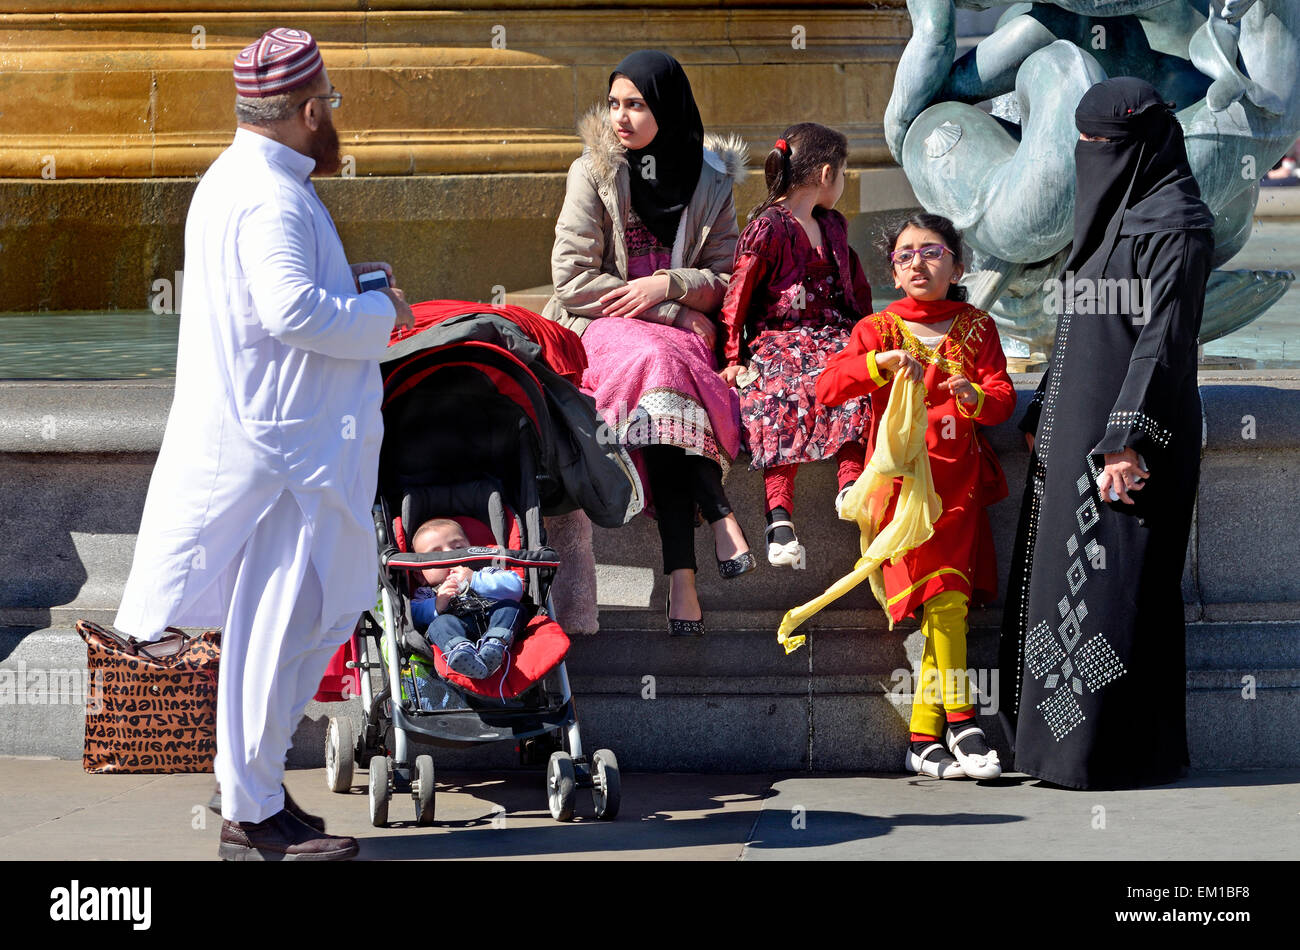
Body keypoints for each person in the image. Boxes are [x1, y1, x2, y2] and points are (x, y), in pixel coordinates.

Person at [112, 27, 415, 860]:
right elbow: (290, 313)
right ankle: (251, 816)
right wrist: (382, 315)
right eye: (332, 107)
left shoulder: (238, 177)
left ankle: (258, 797)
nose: (334, 121)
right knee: (288, 623)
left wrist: (354, 288)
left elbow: (276, 305)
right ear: (309, 108)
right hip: (289, 451)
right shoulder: (272, 194)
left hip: (284, 443)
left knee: (287, 623)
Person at [998, 78, 1215, 790]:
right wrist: (1041, 415)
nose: (1091, 156)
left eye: (1105, 146)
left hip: (1129, 445)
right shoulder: (1110, 216)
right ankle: (1051, 750)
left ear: (1143, 146)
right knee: (1062, 586)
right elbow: (1079, 326)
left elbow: (1164, 341)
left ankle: (1112, 754)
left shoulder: (1176, 223)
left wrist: (1127, 440)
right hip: (1073, 433)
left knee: (1115, 591)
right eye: (1084, 143)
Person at [542, 49, 755, 637]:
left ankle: (681, 581)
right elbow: (573, 278)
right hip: (601, 325)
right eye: (613, 103)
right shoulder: (593, 172)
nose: (619, 118)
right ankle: (718, 515)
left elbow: (724, 276)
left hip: (678, 330)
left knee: (669, 370)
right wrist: (666, 306)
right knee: (663, 361)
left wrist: (672, 283)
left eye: (635, 104)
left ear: (666, 105)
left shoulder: (710, 181)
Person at [816, 213, 1015, 780]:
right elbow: (828, 388)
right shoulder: (877, 329)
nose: (918, 263)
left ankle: (926, 740)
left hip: (959, 488)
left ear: (957, 264)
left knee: (945, 607)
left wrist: (974, 395)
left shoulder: (977, 326)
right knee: (942, 606)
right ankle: (963, 723)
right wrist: (877, 364)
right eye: (905, 255)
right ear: (894, 272)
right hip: (902, 495)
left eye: (931, 251)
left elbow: (1001, 398)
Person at [718, 122, 872, 570]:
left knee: (853, 381)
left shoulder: (834, 227)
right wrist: (733, 356)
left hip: (834, 337)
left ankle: (851, 484)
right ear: (826, 174)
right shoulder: (767, 227)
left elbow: (856, 293)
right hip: (778, 339)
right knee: (780, 393)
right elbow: (738, 295)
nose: (843, 182)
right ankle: (778, 516)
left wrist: (870, 335)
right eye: (843, 173)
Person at [406, 518, 524, 679]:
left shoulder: (485, 573)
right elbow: (411, 616)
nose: (451, 555)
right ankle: (461, 652)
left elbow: (516, 587)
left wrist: (474, 579)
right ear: (420, 576)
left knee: (511, 607)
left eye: (458, 548)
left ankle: (496, 644)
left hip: (492, 624)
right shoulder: (427, 593)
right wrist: (436, 604)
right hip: (456, 633)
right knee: (440, 623)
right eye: (437, 553)